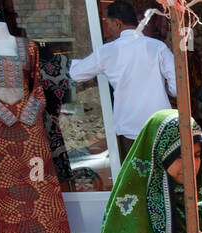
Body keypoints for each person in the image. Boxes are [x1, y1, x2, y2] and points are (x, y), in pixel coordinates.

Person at [69, 2, 176, 159]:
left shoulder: (107, 52)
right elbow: (177, 88)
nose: (107, 28)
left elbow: (76, 74)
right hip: (161, 127)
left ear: (117, 23)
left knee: (136, 172)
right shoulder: (157, 47)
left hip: (130, 129)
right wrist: (162, 89)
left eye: (107, 23)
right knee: (165, 172)